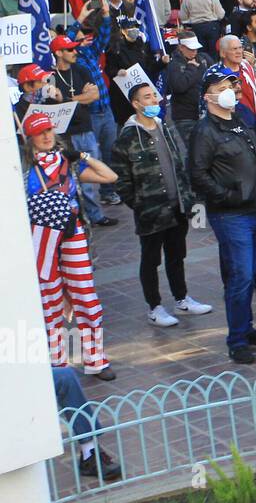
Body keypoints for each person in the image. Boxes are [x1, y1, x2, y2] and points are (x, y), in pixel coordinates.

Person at [21, 111, 119, 380]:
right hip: (39, 239)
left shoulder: (68, 163)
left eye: (49, 130)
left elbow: (110, 177)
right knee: (49, 300)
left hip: (72, 233)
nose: (45, 135)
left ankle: (96, 360)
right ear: (29, 137)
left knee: (86, 296)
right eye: (40, 132)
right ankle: (57, 363)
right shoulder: (21, 167)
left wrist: (82, 156)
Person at [189, 64, 256, 363]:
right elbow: (197, 174)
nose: (230, 92)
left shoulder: (240, 119)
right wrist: (226, 196)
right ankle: (237, 339)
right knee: (240, 276)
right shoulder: (204, 131)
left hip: (253, 208)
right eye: (222, 88)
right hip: (230, 214)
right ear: (208, 96)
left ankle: (246, 327)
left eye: (232, 86)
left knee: (250, 273)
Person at [109, 82, 211, 328]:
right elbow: (120, 178)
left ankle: (181, 298)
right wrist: (138, 203)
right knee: (151, 259)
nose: (153, 100)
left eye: (154, 96)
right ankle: (154, 306)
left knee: (177, 255)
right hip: (151, 210)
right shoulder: (128, 137)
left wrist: (187, 197)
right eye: (147, 97)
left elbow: (178, 161)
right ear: (136, 104)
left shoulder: (164, 127)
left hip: (176, 205)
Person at [49, 34, 117, 227]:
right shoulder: (51, 77)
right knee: (77, 177)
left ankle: (93, 213)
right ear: (59, 53)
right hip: (65, 135)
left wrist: (67, 100)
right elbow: (54, 102)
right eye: (69, 49)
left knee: (93, 170)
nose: (75, 52)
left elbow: (94, 95)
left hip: (85, 129)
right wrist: (81, 97)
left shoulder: (81, 70)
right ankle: (90, 216)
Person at [165, 30, 213, 144]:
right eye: (191, 49)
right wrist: (191, 69)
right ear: (181, 47)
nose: (194, 52)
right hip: (186, 116)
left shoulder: (203, 59)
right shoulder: (174, 65)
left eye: (196, 48)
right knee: (194, 151)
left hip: (206, 113)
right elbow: (179, 86)